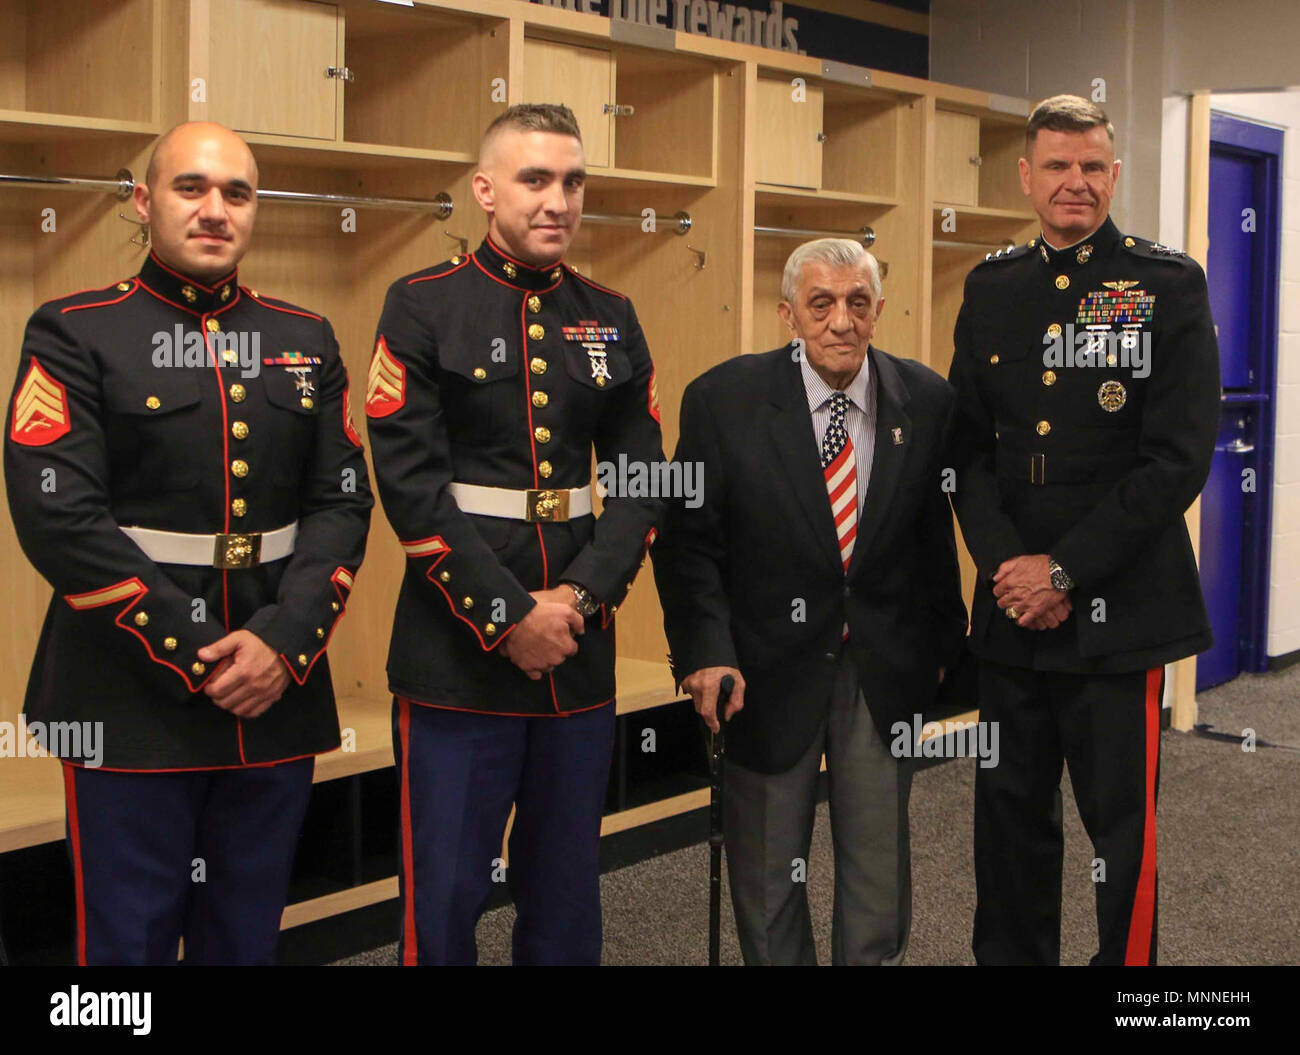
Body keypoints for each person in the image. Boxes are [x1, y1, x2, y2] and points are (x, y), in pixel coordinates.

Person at [3, 121, 373, 965]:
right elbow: (60, 515)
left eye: (236, 193)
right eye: (190, 188)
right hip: (130, 694)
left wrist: (282, 644)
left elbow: (342, 501)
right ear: (143, 201)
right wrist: (199, 652)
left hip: (276, 688)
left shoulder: (305, 338)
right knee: (125, 940)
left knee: (244, 934)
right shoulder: (75, 331)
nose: (215, 210)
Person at [364, 103, 665, 966]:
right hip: (457, 646)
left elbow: (645, 481)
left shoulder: (611, 312)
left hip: (577, 641)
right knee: (448, 887)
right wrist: (507, 615)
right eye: (535, 179)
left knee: (566, 886)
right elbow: (412, 489)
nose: (558, 200)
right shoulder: (421, 305)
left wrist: (574, 599)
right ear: (485, 189)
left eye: (573, 181)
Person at [947, 95, 1221, 965]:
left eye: (1093, 166)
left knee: (1122, 840)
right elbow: (967, 453)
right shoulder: (991, 287)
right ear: (1026, 177)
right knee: (1010, 827)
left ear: (1113, 174)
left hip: (1118, 610)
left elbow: (1176, 460)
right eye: (1058, 166)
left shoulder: (1167, 285)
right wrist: (1010, 571)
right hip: (1012, 616)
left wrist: (1060, 573)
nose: (1077, 182)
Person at [652, 238, 967, 965]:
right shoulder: (723, 400)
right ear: (788, 313)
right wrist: (705, 654)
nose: (841, 321)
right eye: (821, 303)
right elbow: (688, 544)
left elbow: (933, 538)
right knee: (767, 876)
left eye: (858, 303)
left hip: (880, 671)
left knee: (878, 875)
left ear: (879, 310)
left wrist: (944, 649)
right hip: (761, 671)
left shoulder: (925, 398)